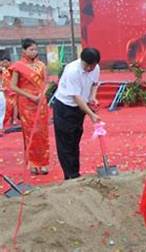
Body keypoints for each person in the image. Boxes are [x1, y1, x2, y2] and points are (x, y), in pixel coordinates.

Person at [53, 47, 101, 180]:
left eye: (92, 66)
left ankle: (75, 173)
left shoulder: (95, 68)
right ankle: (70, 175)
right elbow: (76, 97)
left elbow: (94, 84)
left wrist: (92, 97)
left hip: (80, 108)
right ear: (82, 60)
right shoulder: (72, 70)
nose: (90, 69)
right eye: (87, 66)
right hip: (65, 107)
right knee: (66, 143)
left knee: (75, 140)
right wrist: (91, 114)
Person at [10, 39, 50, 175]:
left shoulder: (41, 65)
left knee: (43, 133)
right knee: (30, 133)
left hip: (41, 103)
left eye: (36, 49)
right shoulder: (18, 66)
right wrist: (31, 96)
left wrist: (42, 94)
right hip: (26, 103)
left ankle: (44, 163)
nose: (34, 52)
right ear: (24, 51)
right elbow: (13, 86)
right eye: (31, 49)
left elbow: (47, 82)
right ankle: (33, 163)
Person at [0, 50, 18, 131]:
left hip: (12, 89)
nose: (4, 64)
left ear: (9, 62)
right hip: (4, 90)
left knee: (14, 105)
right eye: (2, 62)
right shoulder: (2, 70)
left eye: (6, 62)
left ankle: (14, 119)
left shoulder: (12, 69)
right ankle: (5, 120)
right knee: (7, 106)